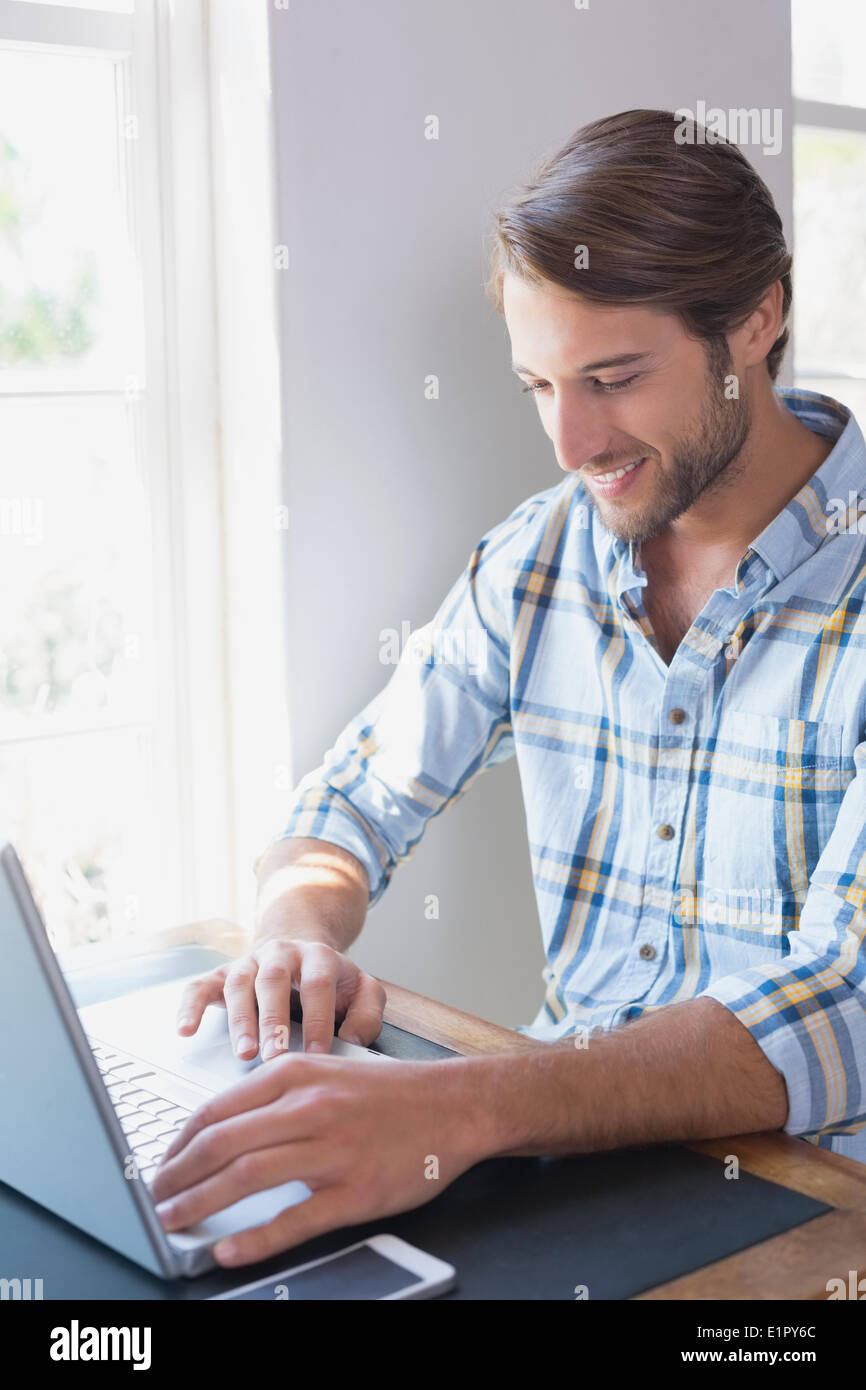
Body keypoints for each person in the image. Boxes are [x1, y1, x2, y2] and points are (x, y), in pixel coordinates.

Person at [151, 109, 866, 1267]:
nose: (570, 440)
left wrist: (462, 1107)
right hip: (561, 1162)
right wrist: (296, 938)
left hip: (814, 1208)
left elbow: (846, 1003)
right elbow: (350, 802)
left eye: (611, 378)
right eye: (537, 385)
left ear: (755, 320)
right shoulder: (541, 557)